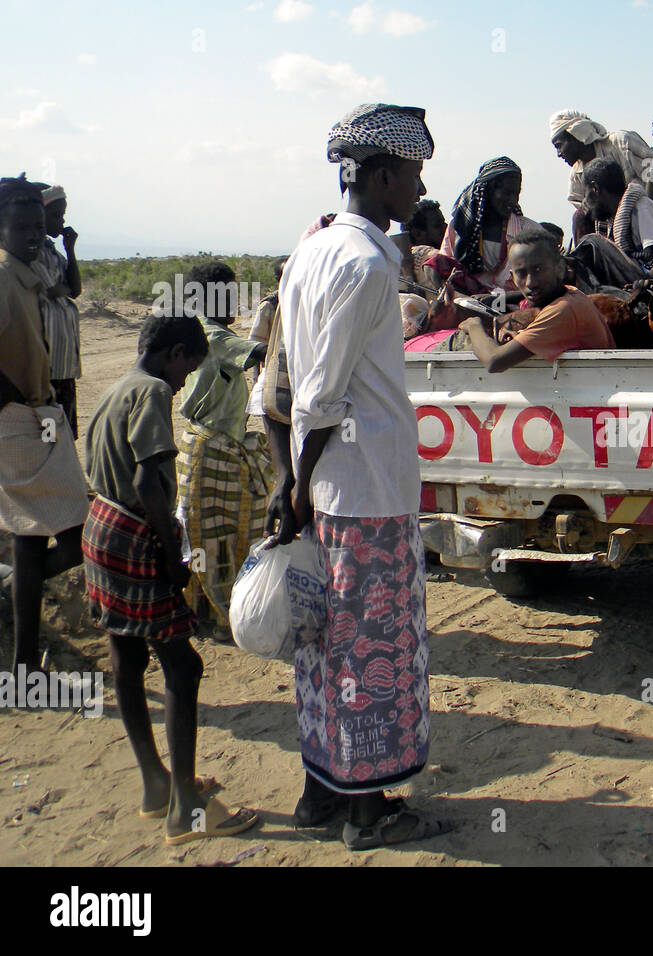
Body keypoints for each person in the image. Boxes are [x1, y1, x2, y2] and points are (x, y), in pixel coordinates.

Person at [277, 102, 446, 849]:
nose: (417, 188)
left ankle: (320, 796)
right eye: (412, 174)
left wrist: (297, 484)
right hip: (364, 487)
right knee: (373, 652)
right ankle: (371, 814)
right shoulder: (367, 262)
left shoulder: (310, 251)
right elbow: (321, 393)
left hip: (329, 487)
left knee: (325, 645)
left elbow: (287, 381)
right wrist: (299, 483)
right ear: (380, 176)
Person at [81, 312, 260, 842]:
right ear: (175, 355)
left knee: (127, 655)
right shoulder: (155, 392)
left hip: (101, 526)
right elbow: (149, 482)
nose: (185, 383)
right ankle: (187, 810)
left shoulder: (118, 389)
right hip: (137, 530)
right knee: (183, 667)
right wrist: (171, 554)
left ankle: (155, 784)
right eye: (188, 369)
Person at [0, 175, 89, 674]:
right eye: (21, 226)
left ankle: (26, 662)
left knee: (31, 540)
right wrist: (9, 399)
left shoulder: (24, 273)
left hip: (37, 415)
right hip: (22, 422)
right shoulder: (3, 276)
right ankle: (20, 599)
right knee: (75, 538)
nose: (34, 235)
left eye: (38, 226)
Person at [174, 261, 272, 629]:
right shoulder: (213, 336)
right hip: (213, 449)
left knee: (210, 534)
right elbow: (262, 353)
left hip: (215, 447)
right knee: (212, 537)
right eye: (227, 295)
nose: (235, 302)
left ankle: (209, 611)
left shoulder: (208, 331)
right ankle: (221, 613)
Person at [460, 226, 615, 372]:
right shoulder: (571, 294)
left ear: (560, 268)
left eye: (538, 270)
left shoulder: (563, 309)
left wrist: (474, 326)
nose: (530, 283)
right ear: (512, 277)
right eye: (521, 273)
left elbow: (494, 361)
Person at [550, 110, 653, 240]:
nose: (559, 153)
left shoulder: (622, 142)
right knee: (579, 217)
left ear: (575, 135)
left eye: (559, 146)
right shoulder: (576, 176)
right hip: (615, 220)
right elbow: (589, 209)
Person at [430, 157, 540, 300]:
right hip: (469, 300)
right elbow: (444, 264)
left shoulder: (530, 231)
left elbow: (542, 285)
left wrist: (498, 300)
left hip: (515, 303)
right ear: (488, 191)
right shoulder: (459, 225)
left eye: (516, 194)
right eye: (507, 193)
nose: (513, 201)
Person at [31, 184, 83, 436]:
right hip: (46, 370)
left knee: (63, 435)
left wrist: (69, 249)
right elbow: (53, 290)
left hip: (62, 369)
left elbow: (73, 289)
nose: (61, 221)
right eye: (56, 215)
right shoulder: (31, 254)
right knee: (48, 437)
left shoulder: (52, 252)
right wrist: (60, 289)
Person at [582, 158, 653, 284]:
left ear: (595, 188)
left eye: (585, 193)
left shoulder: (641, 208)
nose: (585, 201)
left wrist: (641, 285)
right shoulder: (610, 219)